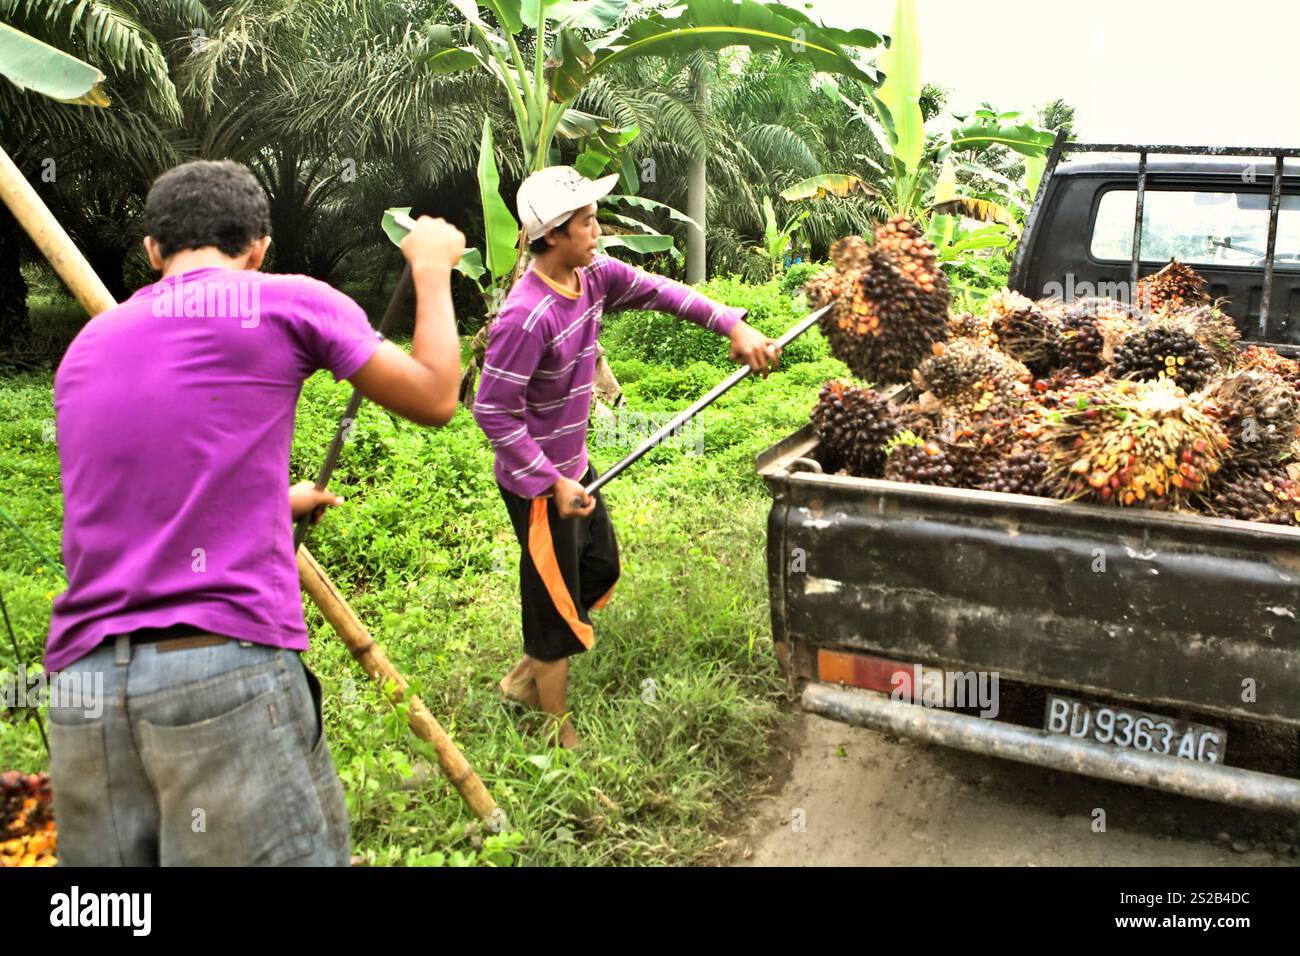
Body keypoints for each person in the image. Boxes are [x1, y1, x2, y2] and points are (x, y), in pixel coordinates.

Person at [44, 159, 466, 865]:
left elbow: (141, 497)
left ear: (152, 251)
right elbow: (434, 395)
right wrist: (431, 268)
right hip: (217, 675)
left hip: (83, 689)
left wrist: (274, 501)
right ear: (260, 247)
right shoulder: (286, 301)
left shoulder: (90, 345)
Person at [473, 166, 781, 749]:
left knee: (600, 569)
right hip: (538, 486)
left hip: (574, 463)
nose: (598, 228)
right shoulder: (525, 315)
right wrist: (548, 481)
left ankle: (524, 676)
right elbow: (493, 412)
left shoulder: (593, 275)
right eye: (587, 221)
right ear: (554, 235)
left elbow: (662, 292)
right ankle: (557, 731)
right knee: (552, 604)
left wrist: (731, 327)